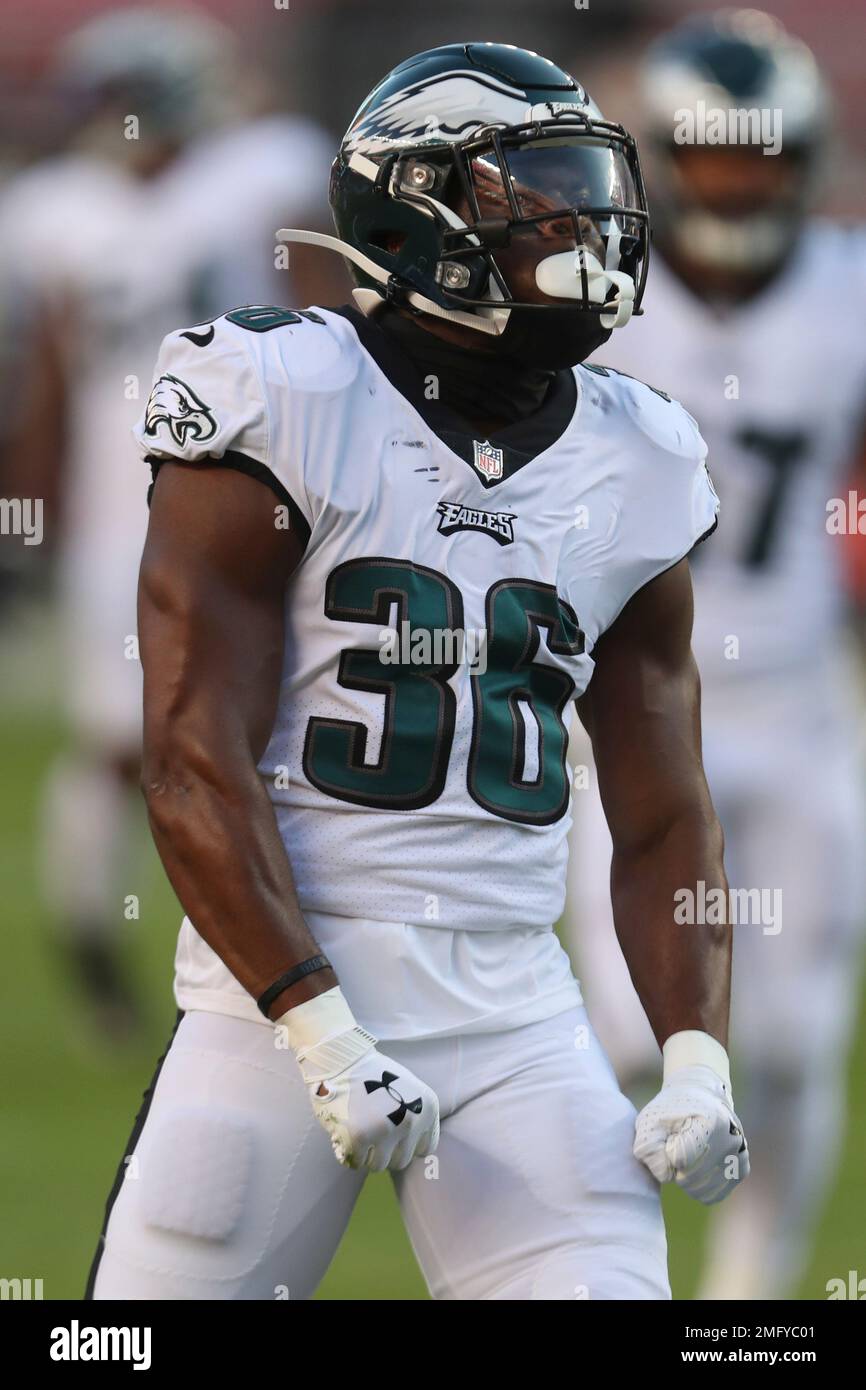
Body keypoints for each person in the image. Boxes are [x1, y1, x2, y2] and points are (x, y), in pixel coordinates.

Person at [87, 42, 747, 1302]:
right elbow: (189, 757)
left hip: (516, 1012)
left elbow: (664, 813)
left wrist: (696, 1052)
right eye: (536, 195)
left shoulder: (638, 453)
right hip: (272, 1012)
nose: (582, 227)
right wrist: (320, 1031)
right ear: (419, 213)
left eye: (586, 188)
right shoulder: (280, 391)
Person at [565, 10, 866, 1299]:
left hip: (800, 705)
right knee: (623, 1040)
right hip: (626, 713)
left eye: (762, 158)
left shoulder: (847, 290)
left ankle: (744, 1305)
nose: (740, 185)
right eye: (716, 158)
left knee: (793, 1043)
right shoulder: (596, 305)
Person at [0, 5, 338, 1040]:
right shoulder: (57, 212)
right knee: (124, 739)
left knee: (275, 727)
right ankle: (92, 929)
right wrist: (24, 524)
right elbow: (51, 381)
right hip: (122, 514)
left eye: (133, 98)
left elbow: (327, 322)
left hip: (250, 496)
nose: (122, 120)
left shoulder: (258, 176)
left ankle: (283, 952)